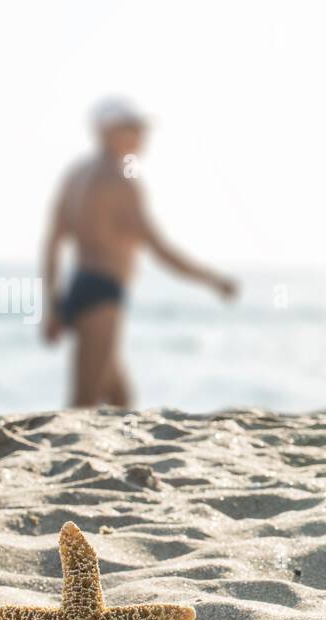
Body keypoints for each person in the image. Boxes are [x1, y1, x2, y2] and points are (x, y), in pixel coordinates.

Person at [40, 98, 237, 407]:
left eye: (140, 128)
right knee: (84, 404)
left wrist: (53, 303)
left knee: (120, 397)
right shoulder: (121, 182)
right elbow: (159, 247)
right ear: (105, 132)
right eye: (130, 128)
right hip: (102, 293)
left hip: (81, 287)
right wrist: (213, 280)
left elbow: (53, 243)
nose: (140, 135)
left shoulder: (76, 175)